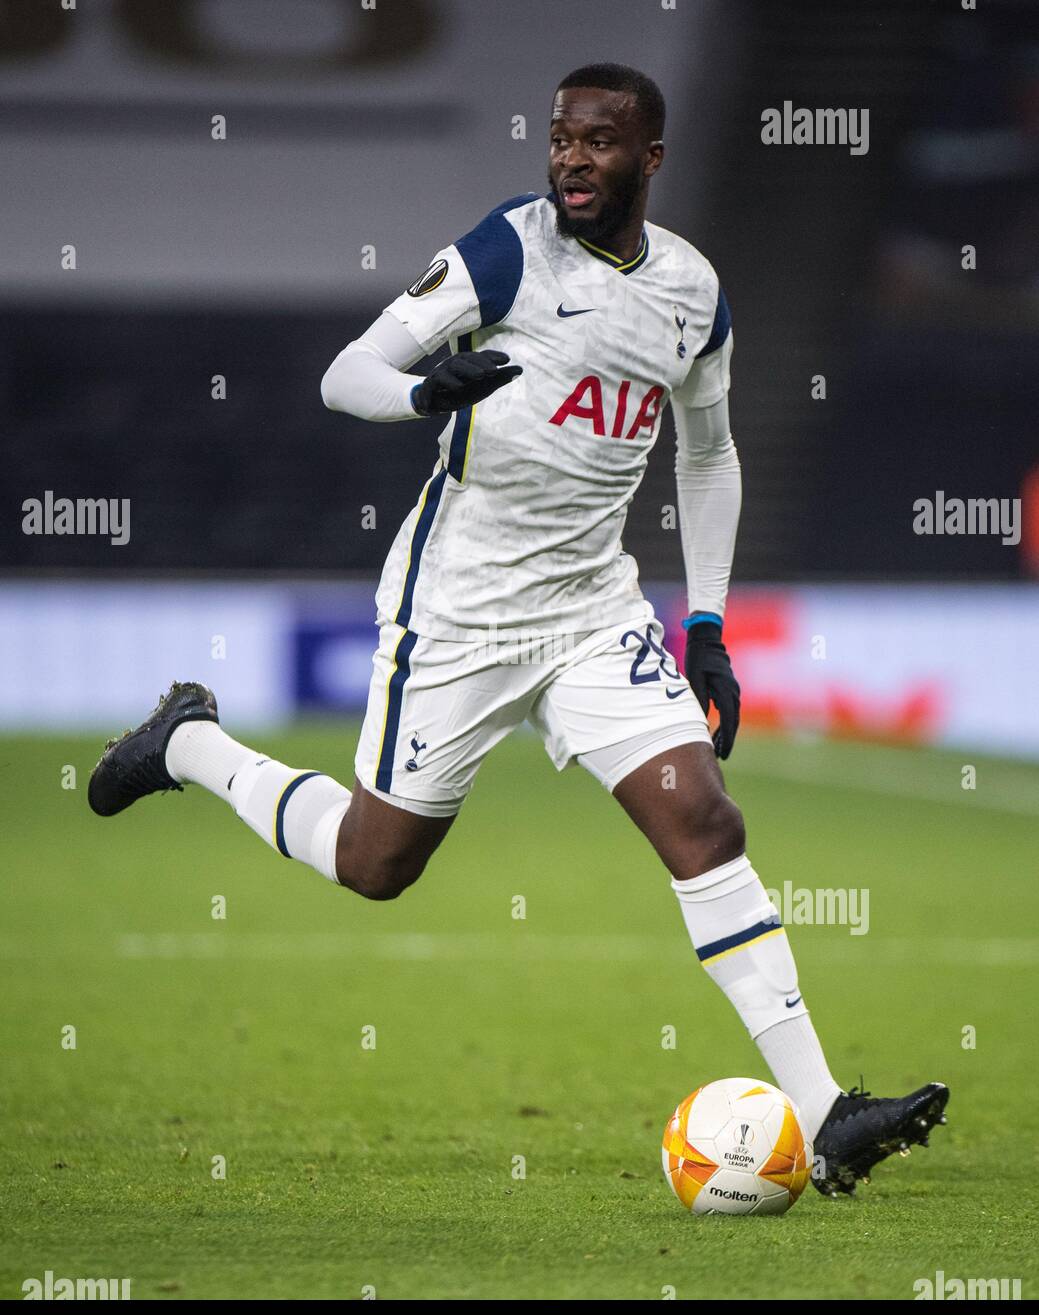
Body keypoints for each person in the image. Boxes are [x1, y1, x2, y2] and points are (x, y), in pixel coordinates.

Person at [89, 63, 947, 1196]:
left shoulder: (693, 289)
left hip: (592, 607)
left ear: (649, 157)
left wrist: (703, 627)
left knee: (702, 818)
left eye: (599, 142)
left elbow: (708, 451)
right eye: (559, 139)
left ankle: (823, 1111)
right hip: (461, 609)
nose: (571, 160)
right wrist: (424, 395)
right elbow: (348, 374)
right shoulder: (505, 251)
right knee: (376, 862)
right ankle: (188, 743)